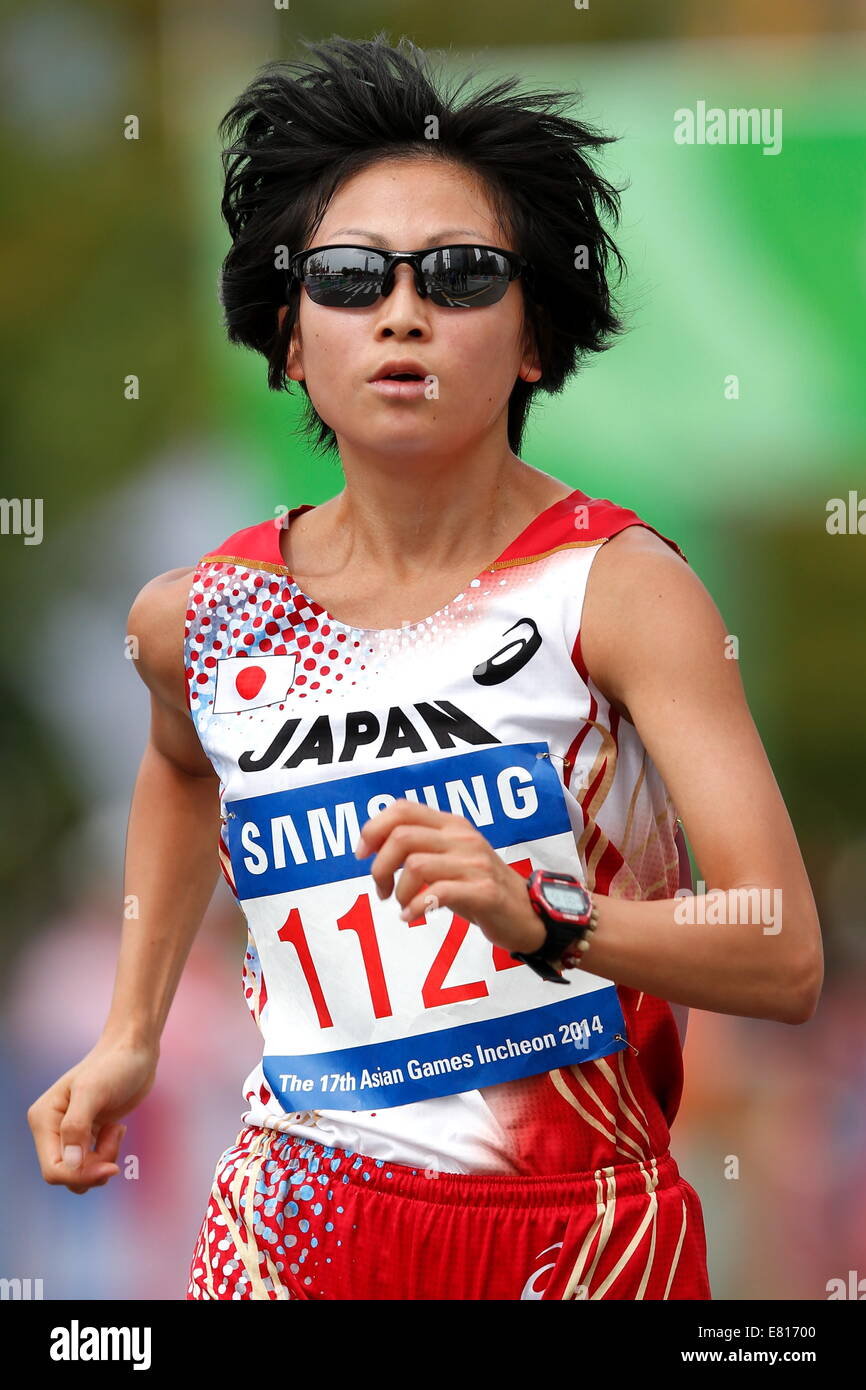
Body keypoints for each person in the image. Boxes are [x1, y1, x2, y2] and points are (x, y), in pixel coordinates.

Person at [28, 33, 823, 1302]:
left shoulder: (617, 590)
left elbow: (780, 951)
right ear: (289, 341)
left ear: (532, 344)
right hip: (288, 1209)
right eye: (348, 278)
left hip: (576, 1229)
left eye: (457, 275)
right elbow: (183, 769)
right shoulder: (205, 615)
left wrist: (548, 920)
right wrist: (132, 1034)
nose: (400, 311)